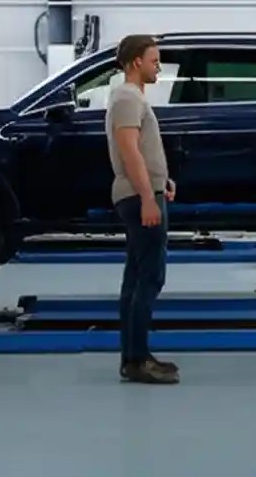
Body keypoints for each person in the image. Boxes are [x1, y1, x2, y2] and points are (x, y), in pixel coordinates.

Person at [105, 34, 180, 385]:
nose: (158, 66)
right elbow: (130, 151)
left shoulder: (130, 98)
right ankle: (136, 360)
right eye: (154, 60)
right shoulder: (126, 97)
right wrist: (148, 197)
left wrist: (160, 182)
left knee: (137, 276)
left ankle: (136, 356)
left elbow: (141, 151)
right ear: (136, 62)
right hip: (138, 197)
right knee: (149, 276)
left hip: (145, 191)